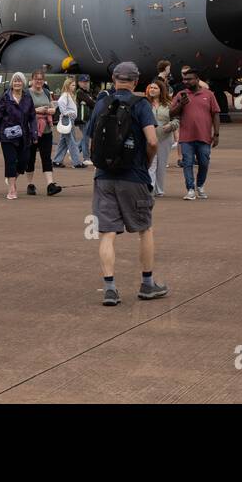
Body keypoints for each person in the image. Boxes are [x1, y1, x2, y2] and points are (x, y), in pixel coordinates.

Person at [86, 61, 168, 306]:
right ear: (136, 81)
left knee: (107, 233)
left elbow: (91, 142)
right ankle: (147, 283)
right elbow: (152, 141)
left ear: (113, 78)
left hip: (104, 177)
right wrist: (146, 161)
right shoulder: (141, 105)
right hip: (134, 176)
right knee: (145, 229)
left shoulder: (101, 103)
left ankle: (110, 288)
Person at [169, 67, 221, 200]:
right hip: (186, 137)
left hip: (204, 136)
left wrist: (216, 134)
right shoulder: (180, 95)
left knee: (204, 162)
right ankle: (190, 189)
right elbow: (170, 113)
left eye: (189, 79)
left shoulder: (209, 95)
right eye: (184, 79)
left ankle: (200, 185)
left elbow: (215, 114)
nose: (186, 81)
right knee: (187, 163)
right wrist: (181, 105)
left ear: (197, 80)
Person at [0, 72, 36, 200]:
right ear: (12, 83)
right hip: (7, 136)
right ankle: (11, 188)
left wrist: (34, 133)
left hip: (24, 136)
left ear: (23, 83)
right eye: (15, 81)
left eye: (19, 81)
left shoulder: (28, 97)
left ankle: (13, 178)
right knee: (10, 161)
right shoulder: (5, 97)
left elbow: (32, 116)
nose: (17, 83)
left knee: (24, 161)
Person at [21, 70, 62, 196]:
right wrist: (36, 110)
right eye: (36, 79)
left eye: (41, 79)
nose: (39, 81)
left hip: (46, 130)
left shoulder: (45, 91)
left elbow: (51, 105)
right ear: (32, 80)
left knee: (46, 157)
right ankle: (30, 184)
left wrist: (51, 110)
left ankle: (50, 185)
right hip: (32, 129)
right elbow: (23, 111)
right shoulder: (27, 93)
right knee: (30, 157)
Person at [144, 80, 177, 197]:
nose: (152, 90)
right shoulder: (144, 103)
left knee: (161, 165)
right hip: (149, 138)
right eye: (151, 87)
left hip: (165, 138)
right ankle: (150, 188)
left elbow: (176, 120)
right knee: (151, 164)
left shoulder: (169, 104)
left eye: (155, 88)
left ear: (161, 90)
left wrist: (171, 125)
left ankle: (159, 189)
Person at [52, 78, 86, 169]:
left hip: (69, 120)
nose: (74, 87)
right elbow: (60, 104)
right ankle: (76, 162)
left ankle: (57, 161)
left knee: (64, 142)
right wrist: (67, 113)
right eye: (72, 85)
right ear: (68, 85)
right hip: (67, 119)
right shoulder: (65, 95)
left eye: (74, 85)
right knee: (72, 141)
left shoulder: (69, 95)